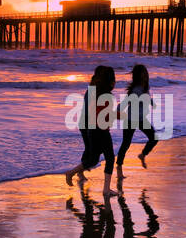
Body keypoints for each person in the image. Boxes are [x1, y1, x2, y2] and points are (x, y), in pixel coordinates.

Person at [64, 65, 117, 197]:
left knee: (93, 158)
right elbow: (101, 114)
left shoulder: (95, 91)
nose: (115, 81)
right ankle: (105, 189)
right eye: (113, 79)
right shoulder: (102, 94)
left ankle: (73, 172)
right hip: (96, 128)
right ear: (109, 80)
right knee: (107, 157)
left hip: (92, 128)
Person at [116, 64, 158, 176]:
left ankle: (143, 155)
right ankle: (119, 167)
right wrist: (116, 111)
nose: (145, 75)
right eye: (143, 73)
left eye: (146, 73)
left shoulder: (145, 87)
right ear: (138, 76)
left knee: (154, 138)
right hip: (130, 119)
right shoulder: (136, 89)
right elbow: (127, 102)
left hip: (140, 118)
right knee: (126, 143)